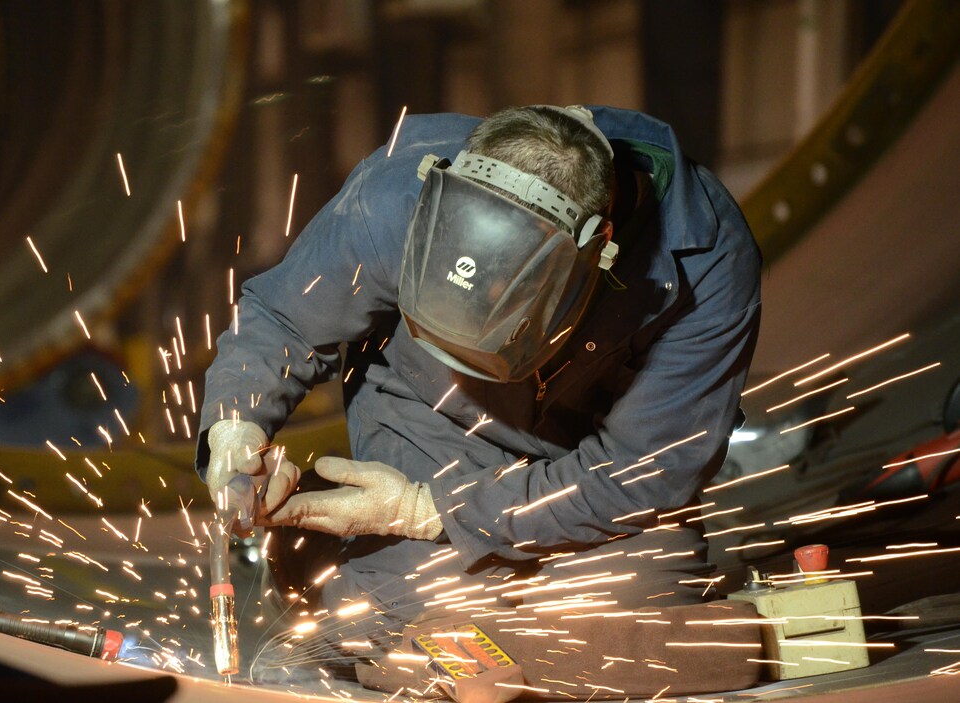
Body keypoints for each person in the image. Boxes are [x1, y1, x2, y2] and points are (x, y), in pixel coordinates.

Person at [197, 105, 761, 644]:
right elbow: (283, 320)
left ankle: (375, 546)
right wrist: (235, 428)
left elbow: (643, 471)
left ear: (600, 245)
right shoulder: (397, 192)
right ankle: (328, 558)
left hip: (580, 462)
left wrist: (425, 510)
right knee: (427, 614)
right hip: (429, 417)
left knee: (637, 610)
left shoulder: (707, 262)